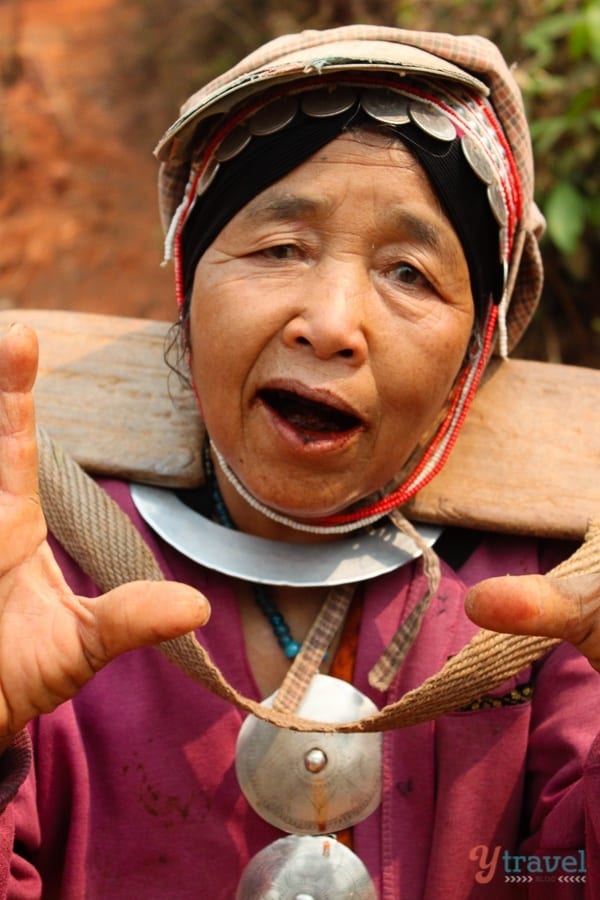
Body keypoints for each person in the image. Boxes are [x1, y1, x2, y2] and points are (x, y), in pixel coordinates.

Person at [1, 22, 599, 900]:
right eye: (280, 248)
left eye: (410, 273)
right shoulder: (43, 583)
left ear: (474, 354)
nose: (330, 321)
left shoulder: (552, 612)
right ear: (187, 293)